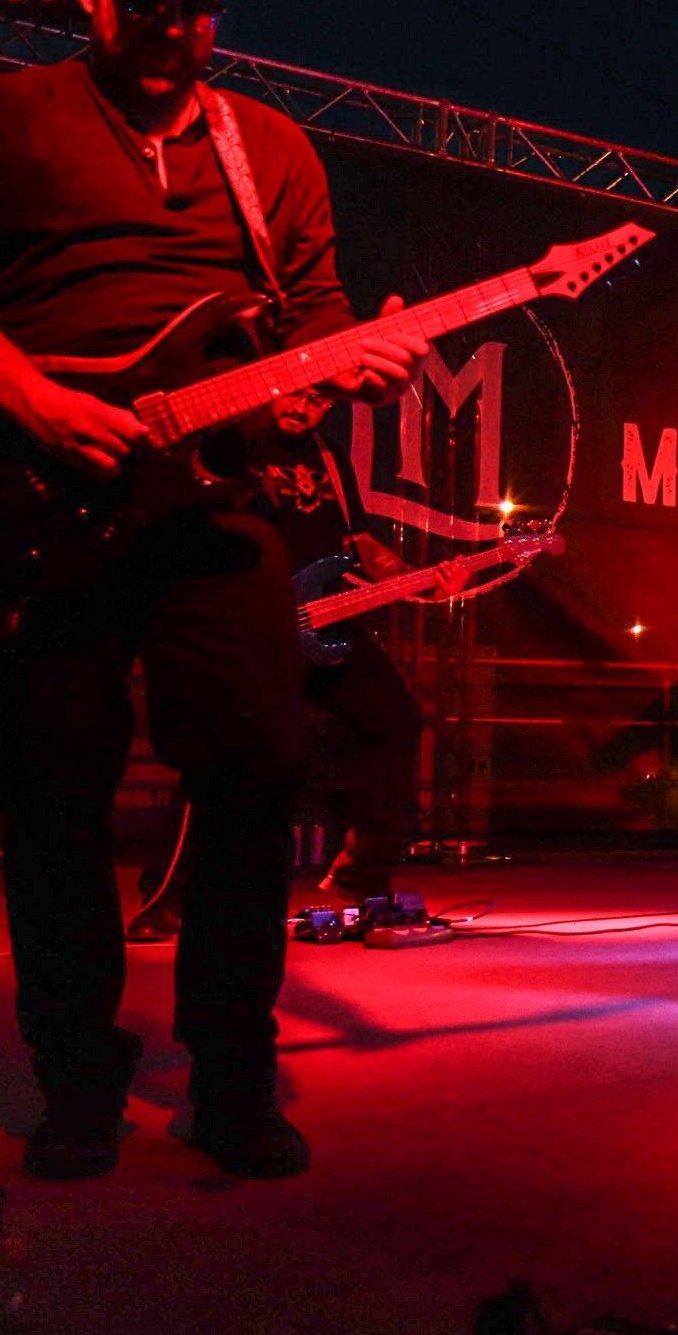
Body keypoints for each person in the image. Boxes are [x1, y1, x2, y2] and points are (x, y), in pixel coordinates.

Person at [0, 0, 427, 1181]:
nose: (174, 21)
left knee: (262, 761)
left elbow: (311, 320)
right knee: (54, 792)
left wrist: (354, 360)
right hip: (34, 487)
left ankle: (231, 1072)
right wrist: (34, 403)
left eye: (200, 3)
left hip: (215, 500)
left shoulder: (269, 147)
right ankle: (77, 1077)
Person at [124, 387, 431, 946]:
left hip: (326, 620)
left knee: (395, 721)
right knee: (221, 754)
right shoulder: (229, 443)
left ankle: (359, 878)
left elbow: (359, 542)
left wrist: (420, 575)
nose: (307, 408)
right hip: (247, 620)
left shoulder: (330, 456)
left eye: (321, 400)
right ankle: (168, 897)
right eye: (300, 394)